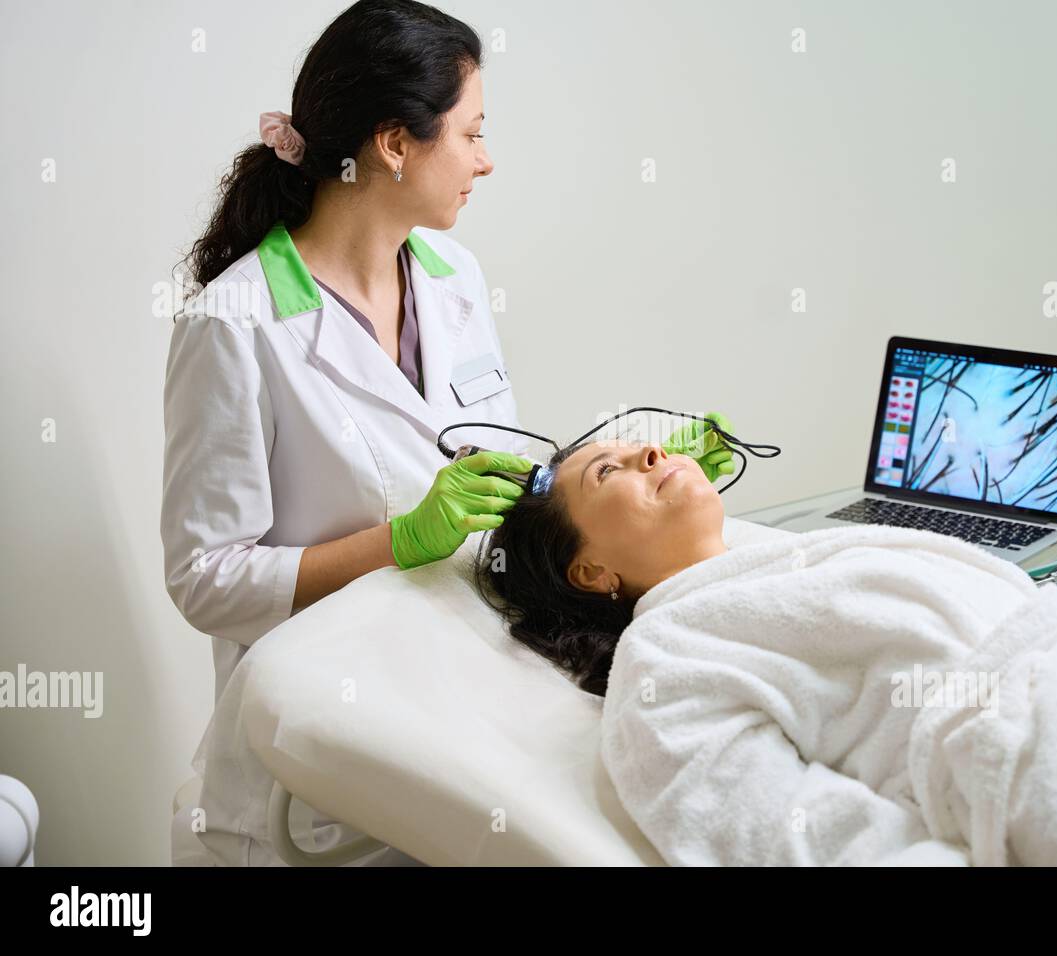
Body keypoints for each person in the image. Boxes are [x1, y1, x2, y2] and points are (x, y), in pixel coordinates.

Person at [159, 0, 736, 866]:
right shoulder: (233, 324)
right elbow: (205, 581)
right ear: (395, 143)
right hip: (317, 764)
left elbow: (496, 474)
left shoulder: (452, 276)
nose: (485, 159)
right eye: (472, 134)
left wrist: (646, 469)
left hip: (458, 703)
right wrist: (397, 542)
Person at [478, 439, 1057, 865]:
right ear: (592, 572)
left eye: (638, 446)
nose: (650, 453)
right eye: (609, 472)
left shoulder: (783, 560)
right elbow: (803, 844)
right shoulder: (662, 669)